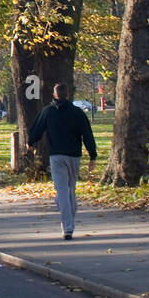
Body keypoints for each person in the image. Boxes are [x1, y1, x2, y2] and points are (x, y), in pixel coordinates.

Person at [28, 84, 97, 240]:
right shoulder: (78, 113)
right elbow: (87, 134)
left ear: (54, 95)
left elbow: (37, 127)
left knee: (62, 191)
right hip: (74, 155)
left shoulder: (48, 111)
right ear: (67, 95)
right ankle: (69, 224)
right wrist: (92, 156)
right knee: (70, 189)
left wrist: (31, 141)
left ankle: (68, 226)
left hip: (57, 156)